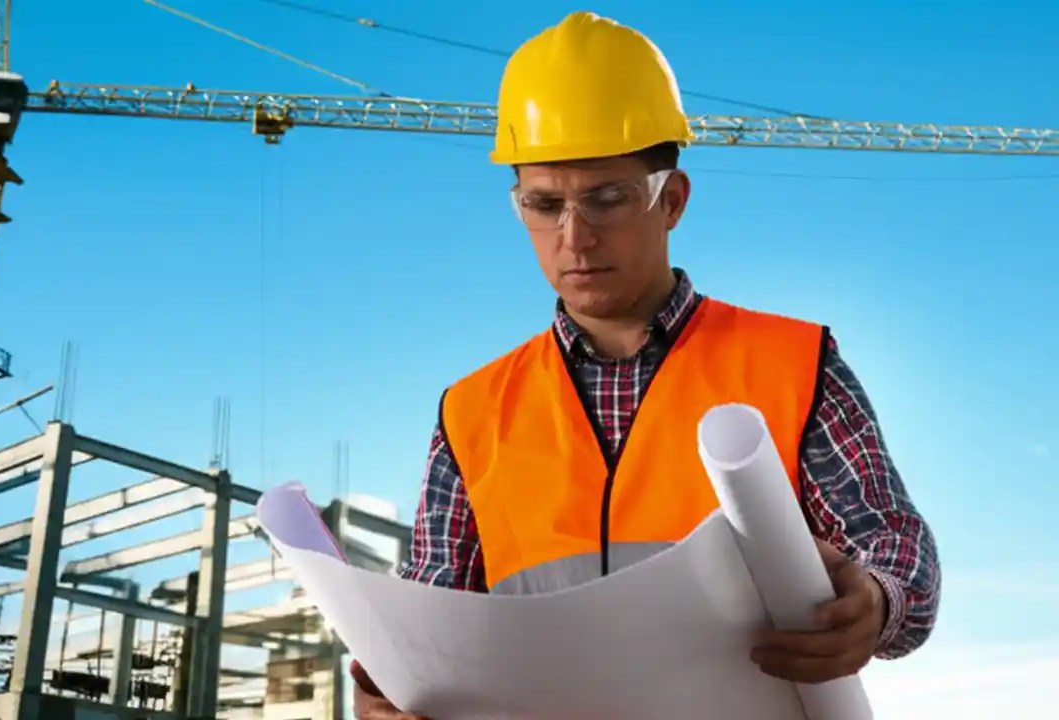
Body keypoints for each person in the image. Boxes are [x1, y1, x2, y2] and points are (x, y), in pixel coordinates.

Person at [352, 10, 941, 719]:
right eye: (544, 205)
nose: (574, 236)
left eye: (607, 198)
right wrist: (395, 685)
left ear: (673, 201)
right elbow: (436, 614)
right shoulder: (472, 411)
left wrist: (877, 600)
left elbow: (892, 544)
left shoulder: (793, 363)